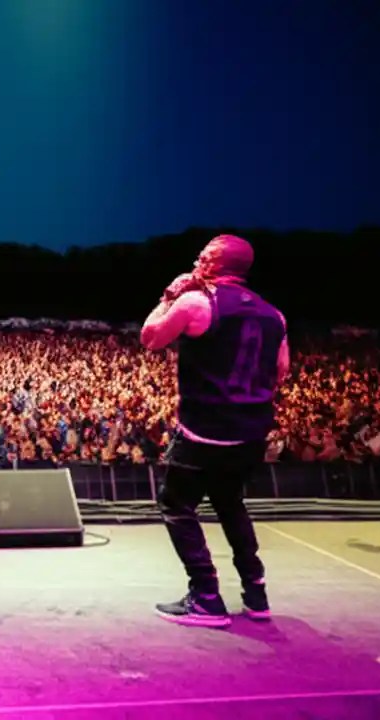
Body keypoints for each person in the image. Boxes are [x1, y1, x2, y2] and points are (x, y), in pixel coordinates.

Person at [139, 235, 287, 628]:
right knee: (230, 503)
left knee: (176, 504)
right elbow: (281, 370)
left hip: (204, 430)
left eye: (202, 257)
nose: (196, 262)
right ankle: (256, 595)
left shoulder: (196, 302)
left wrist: (170, 295)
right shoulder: (275, 316)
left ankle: (206, 597)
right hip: (251, 433)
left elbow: (151, 337)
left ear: (215, 264)